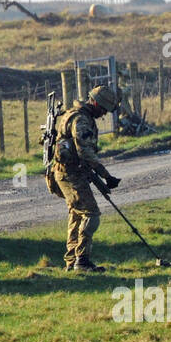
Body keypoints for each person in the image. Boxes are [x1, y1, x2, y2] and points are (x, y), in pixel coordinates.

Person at [50, 85, 121, 272]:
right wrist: (106, 175)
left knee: (76, 215)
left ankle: (72, 261)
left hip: (68, 172)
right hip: (70, 173)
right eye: (103, 109)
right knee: (91, 214)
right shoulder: (81, 120)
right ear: (96, 103)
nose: (104, 113)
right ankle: (82, 260)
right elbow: (85, 152)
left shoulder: (77, 114)